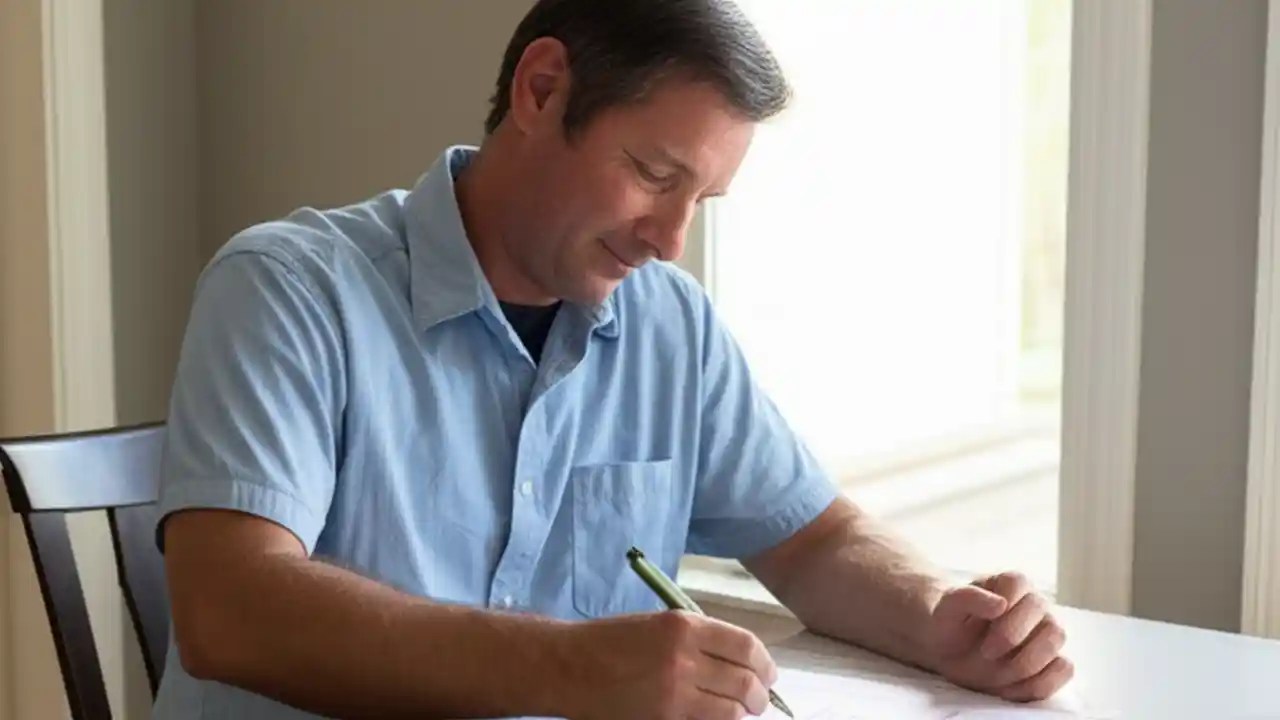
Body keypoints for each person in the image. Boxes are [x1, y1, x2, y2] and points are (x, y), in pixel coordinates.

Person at [153, 1, 1073, 718]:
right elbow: (231, 609)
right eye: (655, 175)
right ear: (542, 90)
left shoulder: (669, 323)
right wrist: (573, 667)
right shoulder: (287, 289)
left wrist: (941, 616)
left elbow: (816, 541)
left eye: (702, 200)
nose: (671, 240)